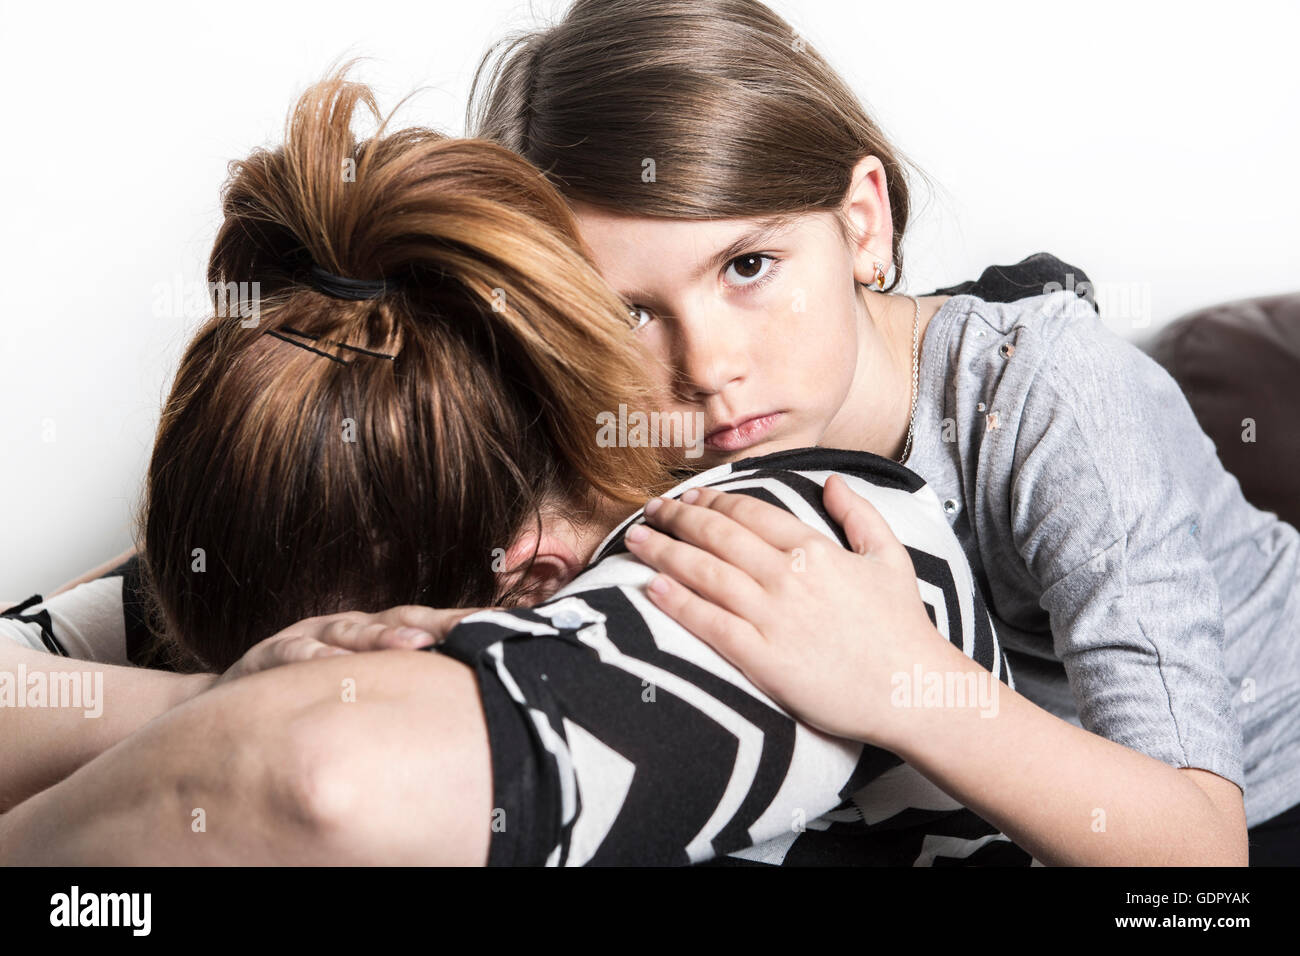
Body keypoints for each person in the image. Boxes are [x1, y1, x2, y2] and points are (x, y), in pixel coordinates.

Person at [0, 72, 1029, 866]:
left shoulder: (798, 540)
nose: (303, 678)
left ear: (530, 576)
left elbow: (314, 777)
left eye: (339, 670)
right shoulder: (347, 532)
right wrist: (208, 695)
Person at [465, 0, 1297, 862]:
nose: (709, 368)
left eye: (748, 267)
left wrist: (901, 680)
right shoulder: (630, 421)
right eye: (628, 312)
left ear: (863, 222)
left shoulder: (1052, 395)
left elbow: (1199, 862)